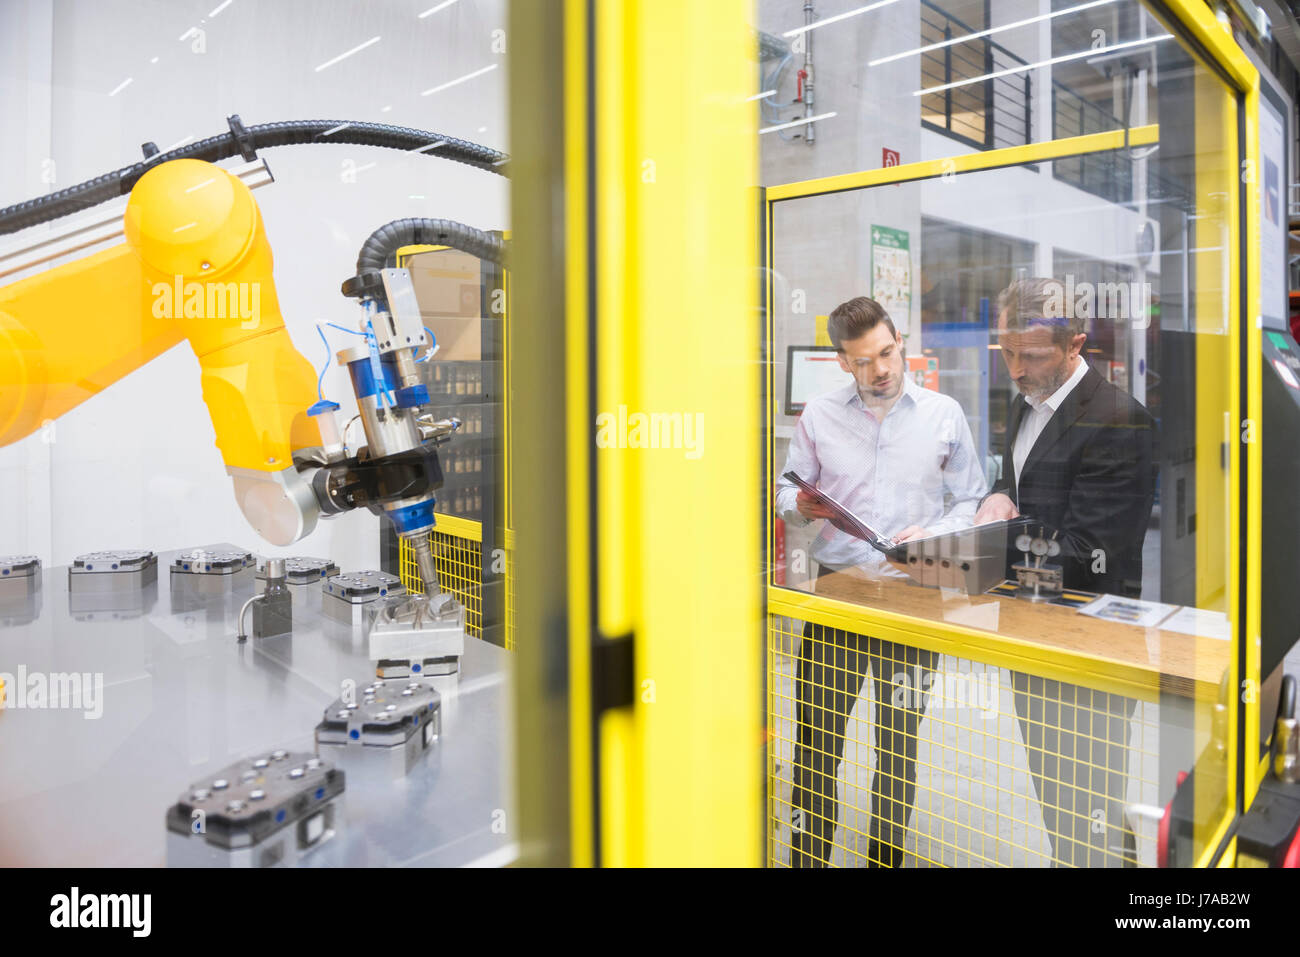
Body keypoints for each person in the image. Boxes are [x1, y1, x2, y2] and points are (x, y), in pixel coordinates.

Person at [775, 296, 987, 867]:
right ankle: (808, 858)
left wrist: (931, 533)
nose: (882, 369)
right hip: (838, 588)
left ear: (900, 339)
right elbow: (785, 493)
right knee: (816, 738)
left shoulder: (944, 414)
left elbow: (972, 501)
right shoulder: (819, 415)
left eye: (888, 353)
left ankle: (884, 859)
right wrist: (800, 503)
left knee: (898, 742)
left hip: (913, 594)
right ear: (843, 362)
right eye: (864, 361)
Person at [974, 277, 1157, 867]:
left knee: (1092, 795)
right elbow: (1017, 478)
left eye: (1030, 356)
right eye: (1006, 352)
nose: (1015, 370)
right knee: (1053, 792)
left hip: (1090, 639)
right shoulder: (1023, 399)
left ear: (1076, 345)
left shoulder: (1119, 421)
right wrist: (1000, 496)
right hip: (1029, 626)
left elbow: (1087, 549)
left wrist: (974, 546)